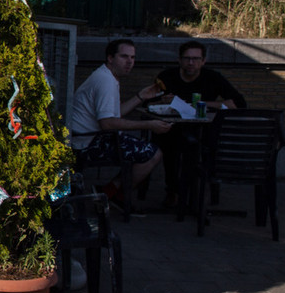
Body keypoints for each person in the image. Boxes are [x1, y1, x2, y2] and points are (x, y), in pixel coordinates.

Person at [67, 38, 172, 206]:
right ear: (110, 58)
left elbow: (114, 114)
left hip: (87, 138)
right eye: (124, 57)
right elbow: (108, 123)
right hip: (85, 144)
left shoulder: (107, 76)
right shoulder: (106, 81)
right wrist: (149, 125)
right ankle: (116, 196)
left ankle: (109, 191)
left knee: (143, 148)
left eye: (132, 57)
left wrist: (140, 97)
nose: (129, 62)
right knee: (153, 153)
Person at [149, 39, 247, 206]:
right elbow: (149, 104)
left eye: (195, 59)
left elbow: (238, 103)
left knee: (199, 147)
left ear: (203, 61)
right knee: (168, 144)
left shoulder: (213, 78)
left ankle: (195, 193)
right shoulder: (167, 77)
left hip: (203, 129)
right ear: (179, 60)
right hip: (172, 128)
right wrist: (163, 102)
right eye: (187, 58)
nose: (191, 63)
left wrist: (203, 104)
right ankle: (173, 191)